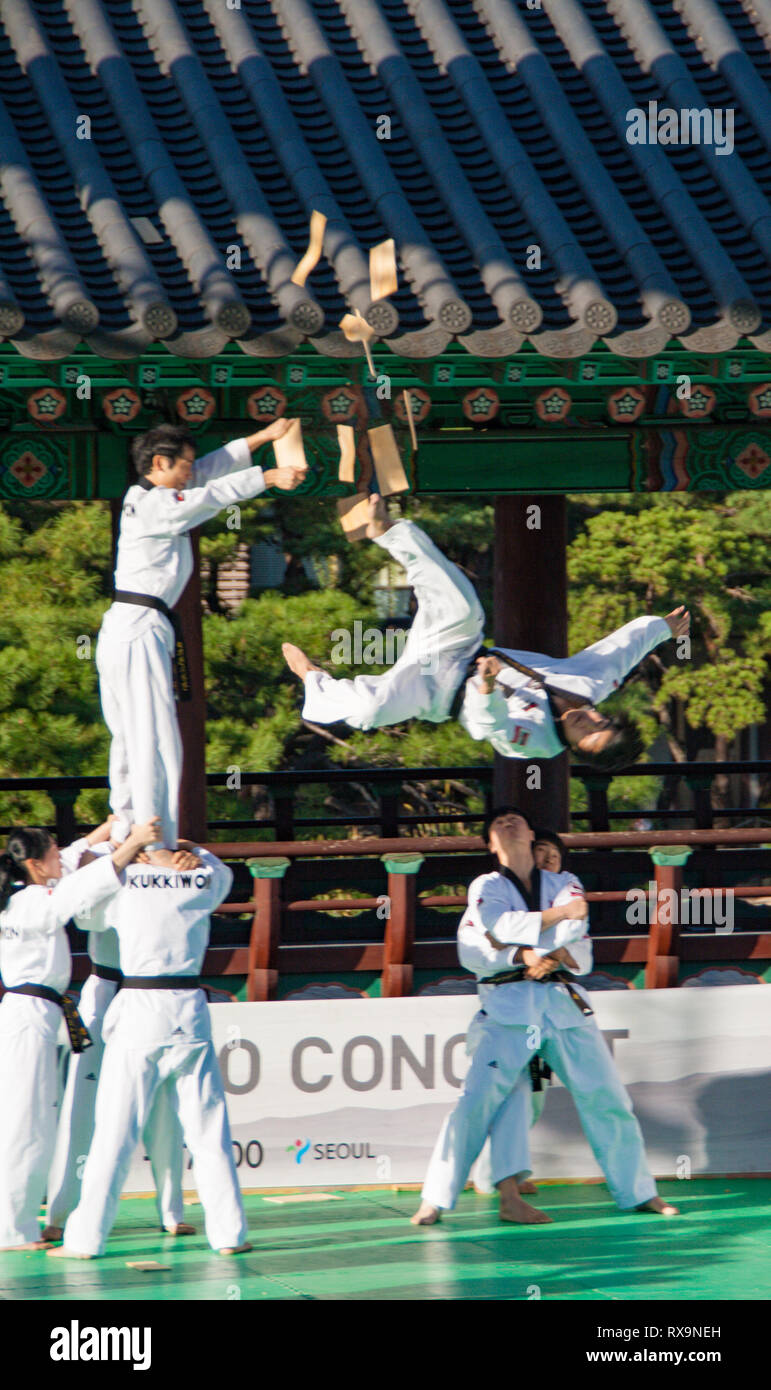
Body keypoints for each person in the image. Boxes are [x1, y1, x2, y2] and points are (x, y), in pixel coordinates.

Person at [412, 806, 678, 1225]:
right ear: (490, 844)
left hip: (563, 1004)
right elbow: (491, 932)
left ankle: (639, 1192)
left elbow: (578, 932)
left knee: (607, 1097)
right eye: (498, 823)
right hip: (508, 1007)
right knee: (478, 1101)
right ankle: (437, 1198)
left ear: (531, 831)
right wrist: (526, 950)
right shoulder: (486, 886)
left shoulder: (565, 881)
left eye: (516, 819)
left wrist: (547, 952)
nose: (507, 823)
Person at [283, 502, 689, 769]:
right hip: (459, 648)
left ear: (579, 751)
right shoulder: (591, 684)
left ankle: (312, 680)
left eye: (587, 735)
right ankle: (386, 530)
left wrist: (488, 687)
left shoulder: (538, 742)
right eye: (599, 722)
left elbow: (486, 727)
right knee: (463, 606)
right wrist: (663, 628)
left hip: (435, 693)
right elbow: (621, 650)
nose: (587, 721)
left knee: (371, 711)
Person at [98, 419, 306, 851]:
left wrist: (263, 438)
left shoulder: (150, 497)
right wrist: (266, 477)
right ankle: (155, 843)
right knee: (153, 735)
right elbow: (209, 494)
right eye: (184, 465)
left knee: (132, 733)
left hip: (130, 626)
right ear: (160, 463)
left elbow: (209, 471)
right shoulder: (155, 503)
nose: (192, 471)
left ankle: (127, 827)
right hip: (138, 628)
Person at [50, 845, 249, 1259]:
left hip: (141, 1011)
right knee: (209, 1131)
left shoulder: (126, 881)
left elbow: (79, 909)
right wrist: (189, 852)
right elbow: (223, 872)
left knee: (114, 1134)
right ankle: (229, 1234)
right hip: (189, 1007)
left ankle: (86, 1240)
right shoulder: (202, 877)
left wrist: (123, 858)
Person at [0, 817, 159, 1250]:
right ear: (34, 864)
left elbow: (71, 862)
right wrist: (136, 843)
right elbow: (85, 885)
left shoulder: (26, 891)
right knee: (25, 1124)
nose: (60, 855)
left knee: (32, 1120)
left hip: (34, 1014)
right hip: (28, 1016)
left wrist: (103, 831)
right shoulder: (33, 902)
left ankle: (17, 1223)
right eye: (51, 851)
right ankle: (12, 1230)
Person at [44, 818, 194, 1242]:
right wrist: (119, 849)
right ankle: (61, 1211)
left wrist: (181, 852)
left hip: (153, 993)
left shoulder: (167, 864)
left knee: (165, 1108)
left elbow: (204, 878)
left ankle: (170, 1210)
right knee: (83, 1104)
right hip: (105, 989)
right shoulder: (97, 863)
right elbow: (82, 899)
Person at [470, 823, 570, 1198]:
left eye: (554, 857)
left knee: (532, 1100)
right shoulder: (500, 900)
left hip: (549, 1018)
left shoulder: (567, 912)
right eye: (540, 853)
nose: (545, 861)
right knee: (497, 1098)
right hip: (508, 1017)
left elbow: (578, 958)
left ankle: (505, 1170)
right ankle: (491, 1175)